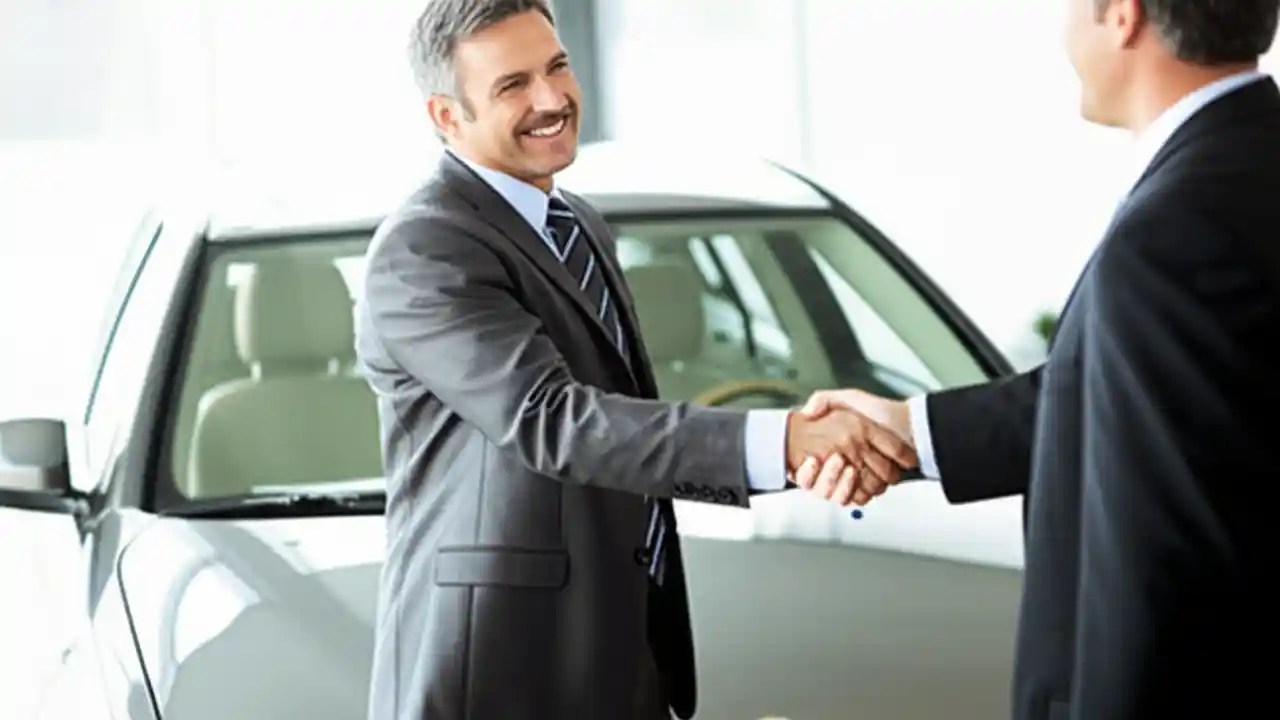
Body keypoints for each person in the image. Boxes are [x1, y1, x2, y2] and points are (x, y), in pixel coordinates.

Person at [354, 2, 916, 718]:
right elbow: (554, 420)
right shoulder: (424, 250)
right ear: (446, 114)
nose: (553, 100)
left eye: (557, 66)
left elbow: (621, 431)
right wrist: (788, 441)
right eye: (512, 85)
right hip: (502, 670)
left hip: (622, 652)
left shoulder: (576, 222)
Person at [794, 0, 1280, 717]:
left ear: (1122, 15)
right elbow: (1121, 392)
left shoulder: (1171, 232)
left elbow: (1157, 570)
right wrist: (912, 427)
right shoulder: (1247, 171)